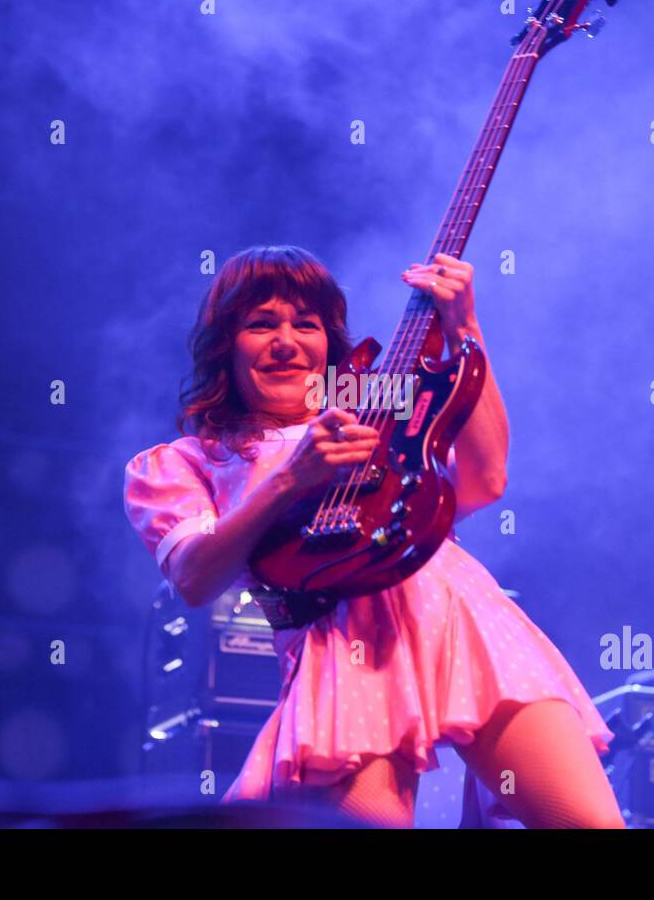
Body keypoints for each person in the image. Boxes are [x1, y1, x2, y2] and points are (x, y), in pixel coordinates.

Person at [124, 244, 624, 829]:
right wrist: (290, 478)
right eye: (261, 325)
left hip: (469, 625)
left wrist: (463, 323)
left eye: (305, 325)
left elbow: (485, 481)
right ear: (224, 347)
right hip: (344, 657)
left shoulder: (374, 411)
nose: (286, 342)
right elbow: (193, 576)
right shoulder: (185, 462)